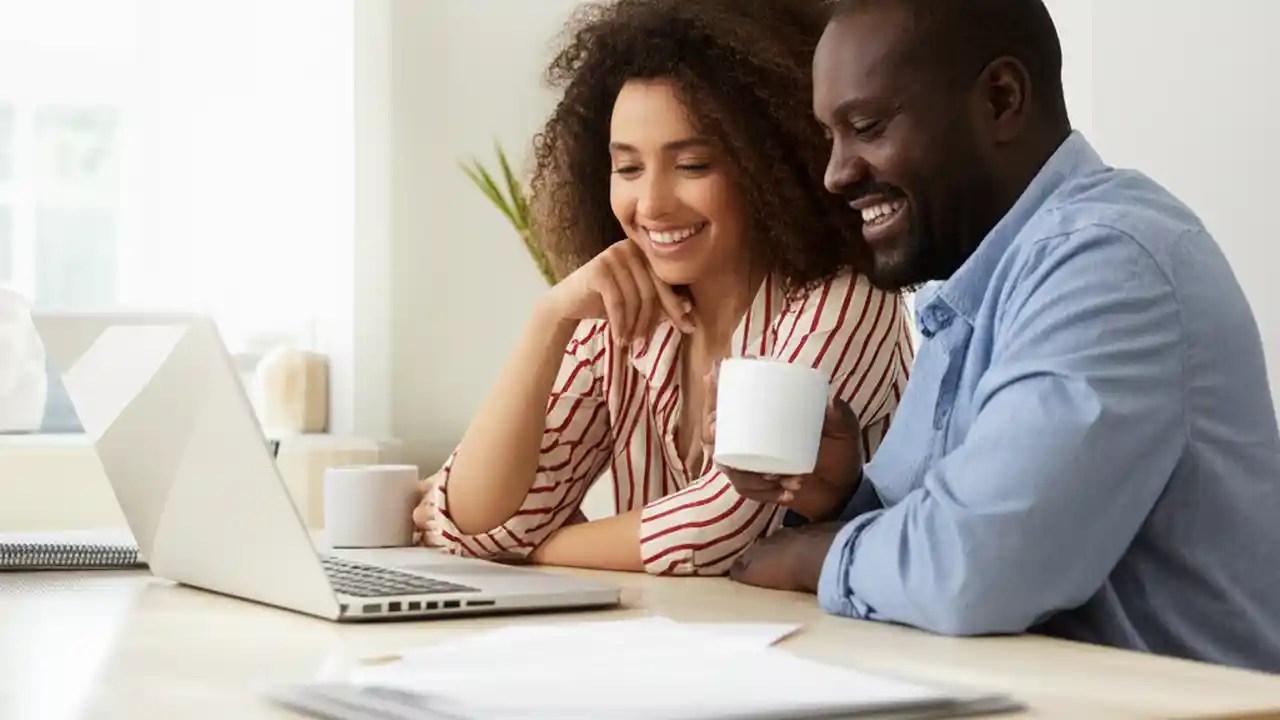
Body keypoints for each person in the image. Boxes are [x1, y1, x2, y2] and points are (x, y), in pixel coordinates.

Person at [719, 0, 1280, 672]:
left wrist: (817, 555)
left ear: (1001, 99)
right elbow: (936, 531)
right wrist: (839, 496)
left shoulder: (1108, 263)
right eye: (830, 137)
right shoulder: (980, 278)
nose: (836, 172)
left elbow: (975, 568)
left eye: (866, 127)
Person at [411, 0, 913, 576]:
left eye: (693, 165)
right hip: (677, 647)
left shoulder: (847, 301)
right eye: (627, 169)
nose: (650, 204)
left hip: (829, 653)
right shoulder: (620, 314)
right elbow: (470, 523)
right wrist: (549, 319)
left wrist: (532, 548)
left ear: (769, 164)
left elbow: (722, 527)